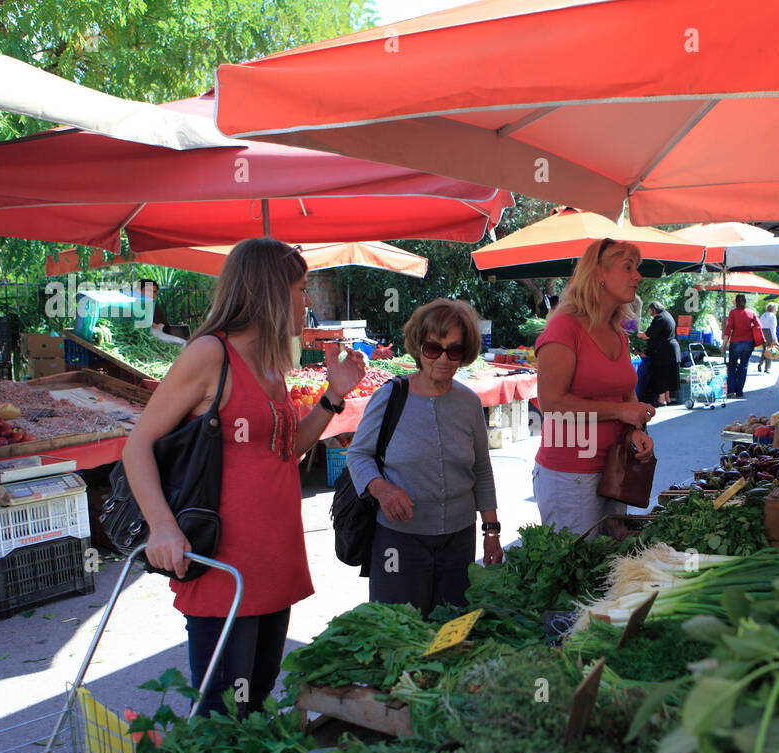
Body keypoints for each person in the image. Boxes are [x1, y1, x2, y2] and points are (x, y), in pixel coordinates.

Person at [124, 238, 366, 718]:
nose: (307, 302)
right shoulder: (211, 355)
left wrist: (332, 396)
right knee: (223, 712)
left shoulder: (272, 368)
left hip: (275, 560)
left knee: (256, 697)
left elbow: (288, 452)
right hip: (226, 567)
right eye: (300, 289)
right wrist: (163, 527)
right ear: (271, 292)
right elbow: (137, 446)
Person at [347, 298, 502, 617]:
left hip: (458, 540)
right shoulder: (390, 397)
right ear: (419, 348)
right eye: (434, 348)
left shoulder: (469, 403)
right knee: (398, 628)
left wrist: (491, 532)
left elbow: (482, 471)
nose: (444, 359)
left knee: (450, 630)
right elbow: (358, 455)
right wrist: (382, 488)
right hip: (398, 540)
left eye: (454, 350)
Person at [533, 237, 655, 533]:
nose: (637, 276)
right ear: (598, 273)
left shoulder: (619, 334)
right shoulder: (565, 327)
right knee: (579, 571)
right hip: (570, 475)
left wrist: (636, 431)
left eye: (637, 268)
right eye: (628, 267)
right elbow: (552, 404)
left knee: (609, 568)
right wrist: (621, 411)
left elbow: (626, 395)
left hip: (616, 472)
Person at [643, 300, 680, 405]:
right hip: (673, 350)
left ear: (654, 309)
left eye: (650, 310)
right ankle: (667, 398)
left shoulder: (659, 318)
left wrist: (639, 334)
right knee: (668, 374)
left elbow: (649, 335)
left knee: (660, 374)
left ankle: (661, 399)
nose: (650, 313)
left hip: (663, 352)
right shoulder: (668, 316)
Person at [722, 293, 759, 397]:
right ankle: (739, 391)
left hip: (736, 343)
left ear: (735, 303)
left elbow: (729, 328)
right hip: (748, 343)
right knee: (743, 367)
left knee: (732, 366)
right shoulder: (751, 313)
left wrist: (724, 343)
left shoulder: (733, 313)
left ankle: (731, 390)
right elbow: (758, 327)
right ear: (745, 302)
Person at [138, 279, 186, 345]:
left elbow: (163, 326)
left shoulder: (154, 306)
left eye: (154, 292)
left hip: (158, 340)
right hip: (143, 341)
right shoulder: (131, 305)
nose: (152, 294)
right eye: (148, 291)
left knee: (183, 342)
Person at [756, 302, 779, 373]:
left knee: (764, 350)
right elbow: (773, 328)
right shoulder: (772, 316)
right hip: (769, 333)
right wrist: (775, 338)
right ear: (773, 309)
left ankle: (760, 363)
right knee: (770, 350)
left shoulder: (763, 315)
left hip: (763, 332)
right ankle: (767, 368)